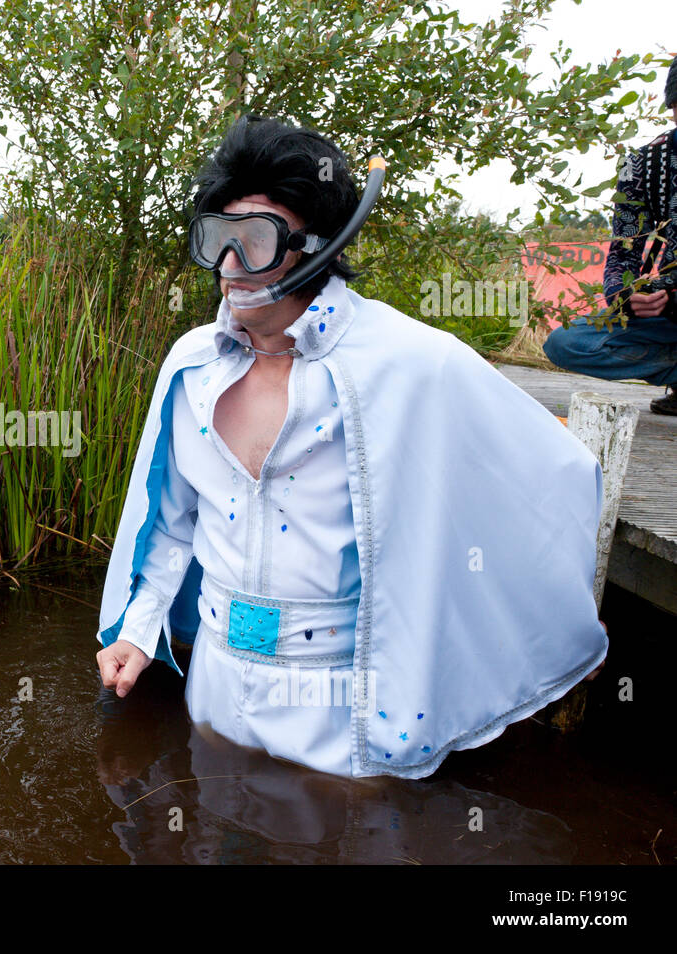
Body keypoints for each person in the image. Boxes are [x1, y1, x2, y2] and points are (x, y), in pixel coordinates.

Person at [94, 115, 608, 780]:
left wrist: (544, 608)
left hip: (342, 711)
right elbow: (170, 525)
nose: (228, 264)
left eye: (255, 241)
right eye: (217, 239)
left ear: (313, 247)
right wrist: (138, 629)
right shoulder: (190, 365)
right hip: (215, 690)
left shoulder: (412, 363)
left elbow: (554, 472)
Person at [542, 57, 677, 415]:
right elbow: (624, 254)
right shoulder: (644, 164)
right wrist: (627, 296)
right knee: (566, 343)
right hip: (669, 316)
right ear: (672, 107)